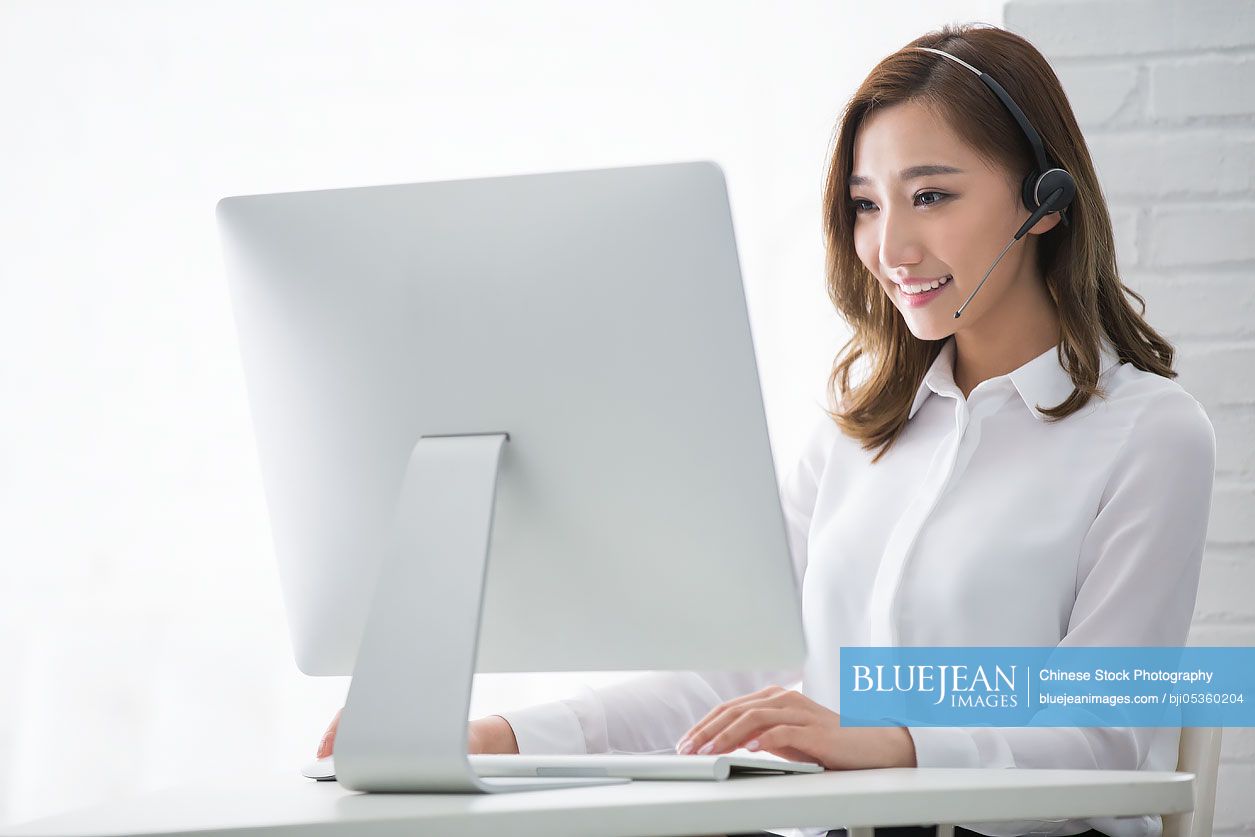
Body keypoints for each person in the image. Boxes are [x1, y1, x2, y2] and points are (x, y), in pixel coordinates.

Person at [316, 22, 1216, 837]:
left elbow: (1102, 737)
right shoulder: (856, 437)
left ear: (1046, 201)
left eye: (931, 196)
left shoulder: (1148, 434)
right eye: (866, 204)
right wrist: (502, 735)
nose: (890, 249)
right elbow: (729, 680)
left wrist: (888, 741)